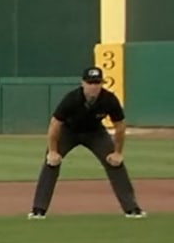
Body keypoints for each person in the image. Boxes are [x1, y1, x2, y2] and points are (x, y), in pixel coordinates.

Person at [28, 66, 145, 219]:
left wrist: (117, 152)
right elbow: (55, 123)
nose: (93, 87)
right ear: (82, 83)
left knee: (114, 163)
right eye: (90, 83)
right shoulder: (72, 98)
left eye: (97, 83)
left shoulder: (108, 99)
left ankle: (131, 208)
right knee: (51, 163)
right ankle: (38, 209)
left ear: (102, 84)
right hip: (69, 132)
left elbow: (120, 126)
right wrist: (52, 151)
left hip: (95, 133)